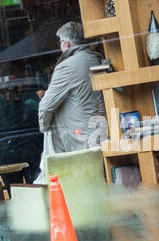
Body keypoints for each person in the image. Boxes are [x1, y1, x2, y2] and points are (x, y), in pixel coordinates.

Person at [36, 21, 107, 177]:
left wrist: (45, 128)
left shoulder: (66, 66)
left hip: (80, 139)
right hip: (99, 132)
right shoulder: (95, 58)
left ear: (65, 44)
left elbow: (46, 106)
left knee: (85, 185)